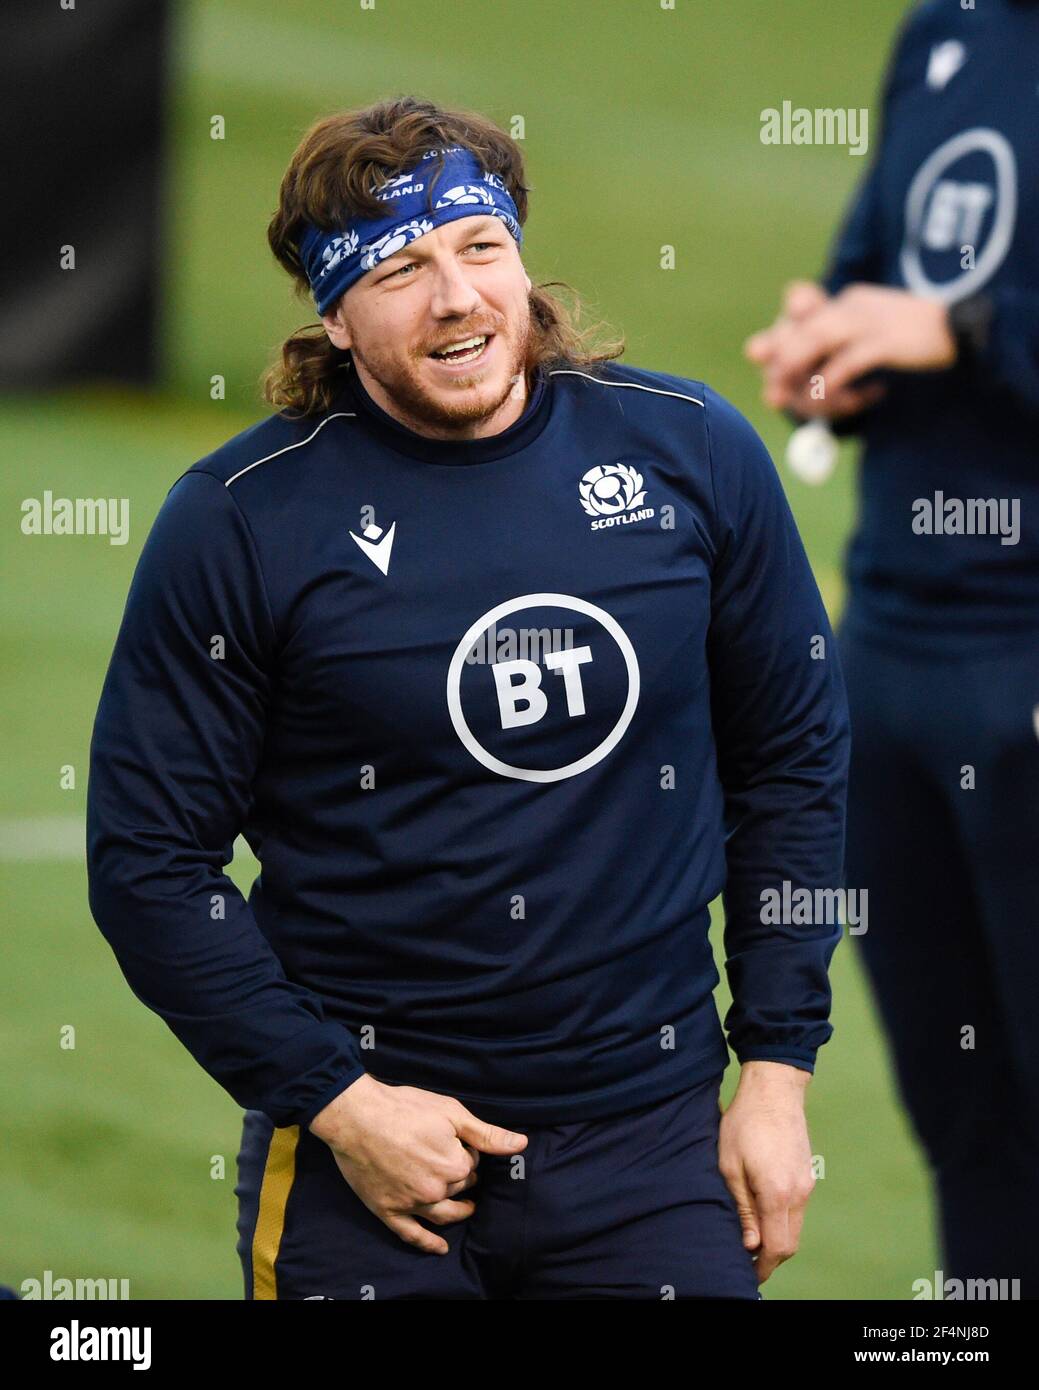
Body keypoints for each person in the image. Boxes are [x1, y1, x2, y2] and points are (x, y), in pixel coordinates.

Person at [86, 95, 849, 1301]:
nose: (455, 296)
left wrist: (776, 1068)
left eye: (479, 248)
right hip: (371, 1160)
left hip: (649, 1144)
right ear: (334, 317)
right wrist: (339, 1103)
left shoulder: (692, 452)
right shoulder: (241, 521)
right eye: (398, 268)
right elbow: (146, 861)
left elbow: (793, 768)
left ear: (520, 259)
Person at [745, 0, 1039, 1299]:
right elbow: (876, 261)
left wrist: (970, 331)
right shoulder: (947, 29)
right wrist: (825, 339)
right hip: (891, 650)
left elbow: (952, 313)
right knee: (964, 1125)